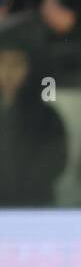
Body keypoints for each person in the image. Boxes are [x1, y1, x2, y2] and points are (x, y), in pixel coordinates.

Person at [0, 26, 67, 206]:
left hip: (33, 209)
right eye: (2, 63)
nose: (7, 73)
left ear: (30, 68)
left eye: (16, 64)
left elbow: (53, 165)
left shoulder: (47, 118)